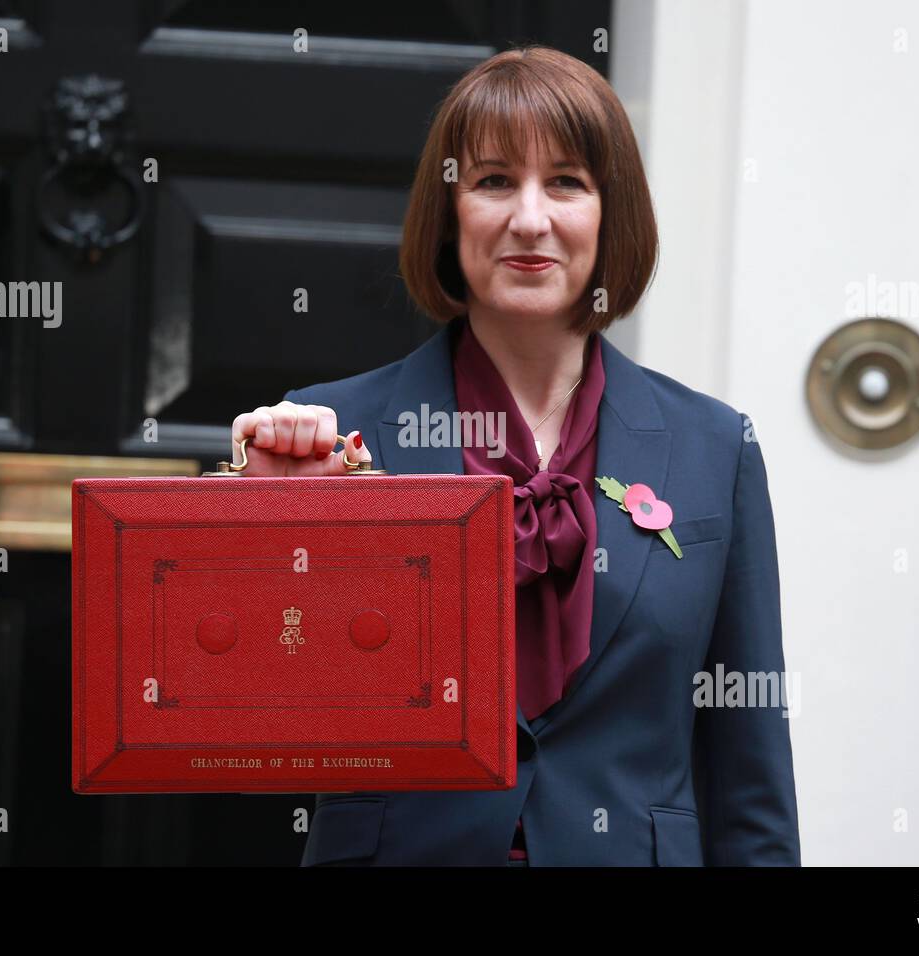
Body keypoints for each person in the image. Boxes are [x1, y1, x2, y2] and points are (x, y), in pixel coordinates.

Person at [230, 45, 799, 866]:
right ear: (449, 211)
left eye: (566, 182)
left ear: (612, 216)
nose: (530, 219)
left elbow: (750, 769)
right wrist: (267, 517)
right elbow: (255, 715)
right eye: (494, 181)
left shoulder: (716, 447)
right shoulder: (337, 430)